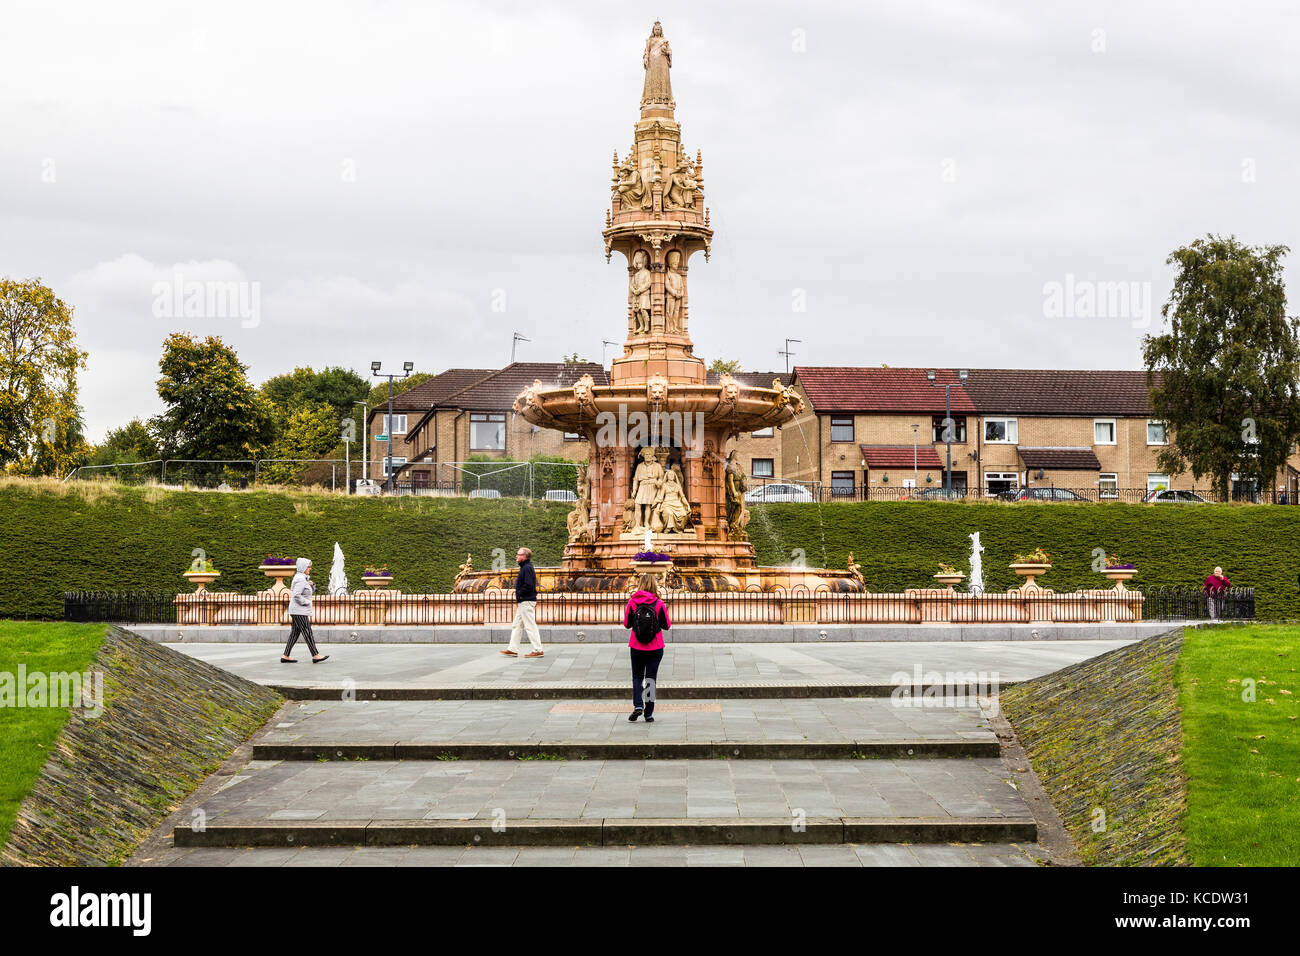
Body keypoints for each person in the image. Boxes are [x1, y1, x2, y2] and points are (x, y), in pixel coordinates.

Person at [623, 573, 670, 722]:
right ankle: (648, 713)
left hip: (636, 646)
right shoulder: (658, 603)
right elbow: (667, 625)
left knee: (637, 677)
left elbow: (627, 624)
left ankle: (638, 705)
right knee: (651, 679)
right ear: (654, 585)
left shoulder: (632, 602)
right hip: (655, 647)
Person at [282, 558, 328, 663]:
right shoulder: (300, 579)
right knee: (307, 632)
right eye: (308, 566)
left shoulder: (303, 578)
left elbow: (307, 592)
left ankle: (285, 656)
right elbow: (296, 595)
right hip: (299, 611)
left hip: (297, 610)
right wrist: (307, 602)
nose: (310, 568)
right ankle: (315, 655)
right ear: (303, 567)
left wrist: (311, 585)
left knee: (295, 633)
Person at [501, 546, 544, 658]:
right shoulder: (525, 567)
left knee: (530, 626)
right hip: (524, 601)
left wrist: (520, 593)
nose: (516, 556)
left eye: (518, 554)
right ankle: (512, 649)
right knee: (517, 625)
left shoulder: (527, 568)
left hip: (526, 600)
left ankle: (538, 650)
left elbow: (529, 585)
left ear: (524, 556)